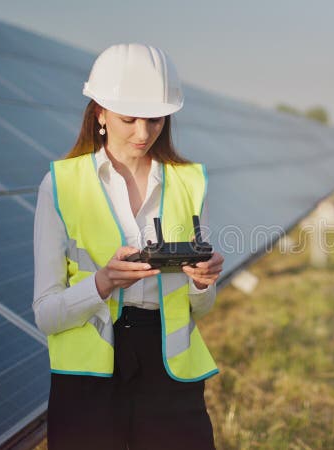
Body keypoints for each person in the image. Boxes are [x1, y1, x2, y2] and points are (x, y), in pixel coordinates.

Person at [32, 43, 224, 450]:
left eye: (155, 120)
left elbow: (199, 309)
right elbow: (46, 315)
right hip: (86, 376)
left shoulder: (192, 182)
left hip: (169, 370)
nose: (143, 133)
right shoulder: (60, 185)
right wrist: (101, 283)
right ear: (99, 112)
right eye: (129, 118)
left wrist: (203, 283)